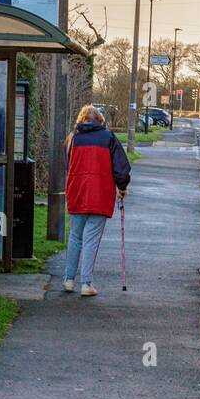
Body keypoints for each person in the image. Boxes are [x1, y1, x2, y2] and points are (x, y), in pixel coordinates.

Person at [62, 104, 131, 297]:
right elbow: (121, 168)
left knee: (75, 237)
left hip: (77, 191)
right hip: (100, 194)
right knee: (91, 238)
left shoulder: (72, 138)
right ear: (99, 120)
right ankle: (86, 283)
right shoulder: (108, 138)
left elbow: (68, 165)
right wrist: (122, 187)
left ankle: (68, 279)